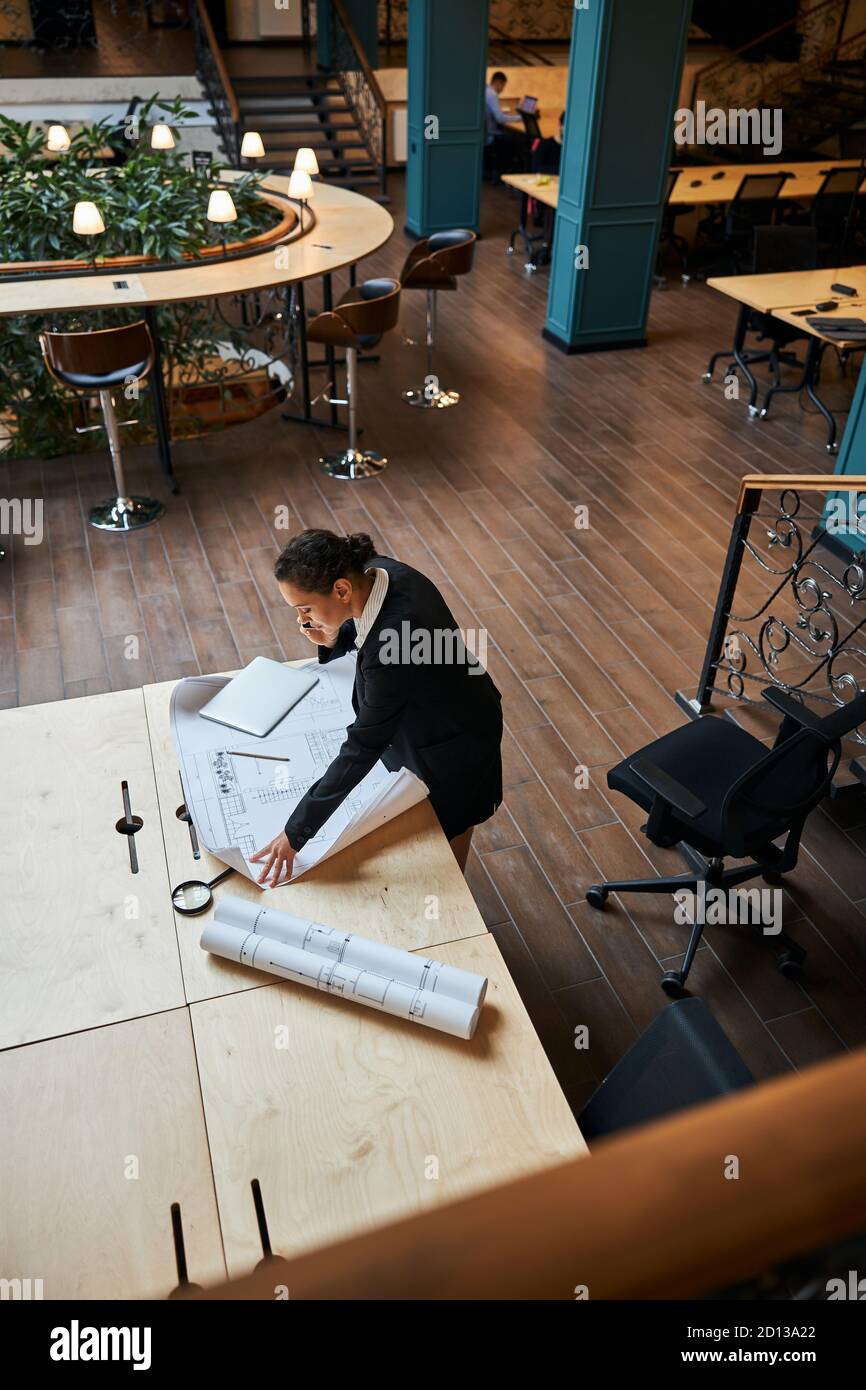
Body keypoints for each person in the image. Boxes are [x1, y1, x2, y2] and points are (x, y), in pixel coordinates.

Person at [250, 530, 504, 888]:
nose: (302, 618)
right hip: (442, 706)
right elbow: (370, 620)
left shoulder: (392, 647)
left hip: (454, 743)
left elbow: (364, 744)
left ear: (340, 590)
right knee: (424, 830)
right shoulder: (379, 573)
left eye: (304, 608)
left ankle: (453, 909)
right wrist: (335, 636)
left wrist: (296, 832)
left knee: (447, 836)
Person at [485, 70, 522, 176]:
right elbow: (500, 119)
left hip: (487, 131)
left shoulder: (486, 90)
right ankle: (508, 171)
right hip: (492, 133)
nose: (503, 89)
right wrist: (519, 117)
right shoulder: (492, 95)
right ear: (498, 83)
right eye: (503, 86)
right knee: (516, 140)